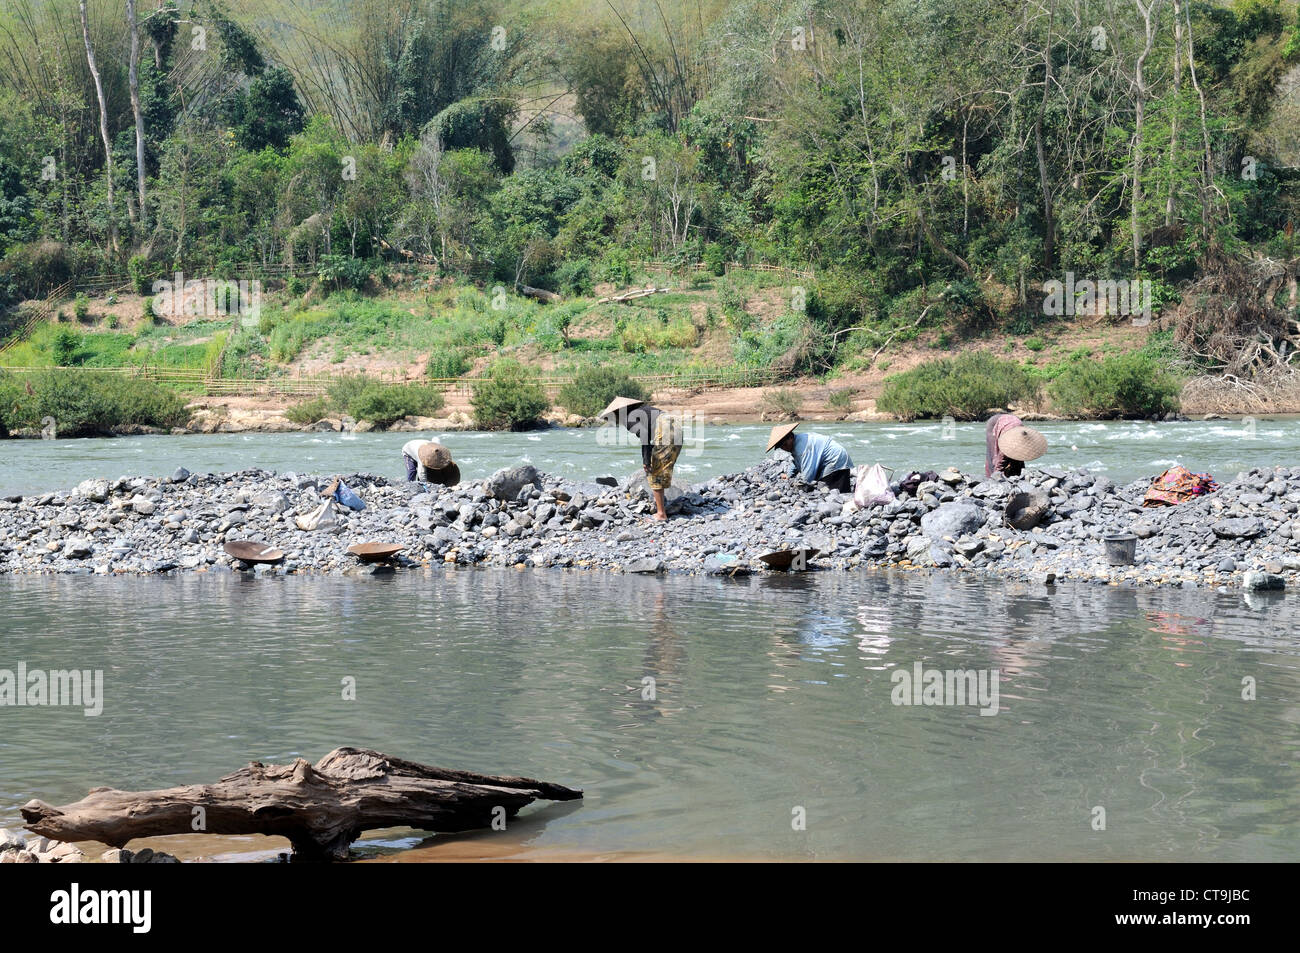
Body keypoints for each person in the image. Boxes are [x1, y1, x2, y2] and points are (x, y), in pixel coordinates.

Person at [599, 396, 683, 521]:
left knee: (654, 471)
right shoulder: (643, 410)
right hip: (675, 424)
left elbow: (644, 434)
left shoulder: (627, 418)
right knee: (663, 465)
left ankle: (661, 514)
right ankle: (666, 504)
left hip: (663, 427)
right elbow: (648, 434)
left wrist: (645, 460)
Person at [766, 422, 854, 493]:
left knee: (835, 492)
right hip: (832, 459)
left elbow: (809, 471)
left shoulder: (802, 447)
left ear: (791, 437)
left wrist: (801, 486)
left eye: (785, 444)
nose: (785, 448)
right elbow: (796, 462)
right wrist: (789, 475)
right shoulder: (797, 443)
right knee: (828, 489)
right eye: (782, 447)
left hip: (835, 459)